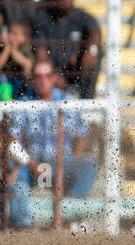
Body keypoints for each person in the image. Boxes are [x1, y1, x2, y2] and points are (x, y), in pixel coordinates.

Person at [10, 57, 98, 200]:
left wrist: (73, 157)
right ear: (32, 79)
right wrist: (33, 165)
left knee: (88, 165)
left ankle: (70, 208)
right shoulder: (23, 103)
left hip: (61, 166)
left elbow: (82, 134)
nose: (43, 80)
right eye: (38, 76)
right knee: (16, 172)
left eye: (47, 76)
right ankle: (21, 213)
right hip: (32, 167)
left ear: (54, 78)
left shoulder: (67, 100)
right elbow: (13, 139)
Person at [30, 0, 101, 98]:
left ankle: (87, 101)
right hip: (52, 72)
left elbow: (95, 33)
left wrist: (91, 50)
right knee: (39, 68)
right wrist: (53, 76)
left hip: (77, 70)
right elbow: (40, 50)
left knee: (94, 56)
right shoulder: (44, 18)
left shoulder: (82, 17)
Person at [0, 20, 35, 100]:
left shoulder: (28, 47)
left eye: (15, 34)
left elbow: (30, 65)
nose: (10, 36)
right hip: (1, 82)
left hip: (19, 80)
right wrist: (7, 50)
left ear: (24, 38)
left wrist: (13, 52)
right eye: (9, 33)